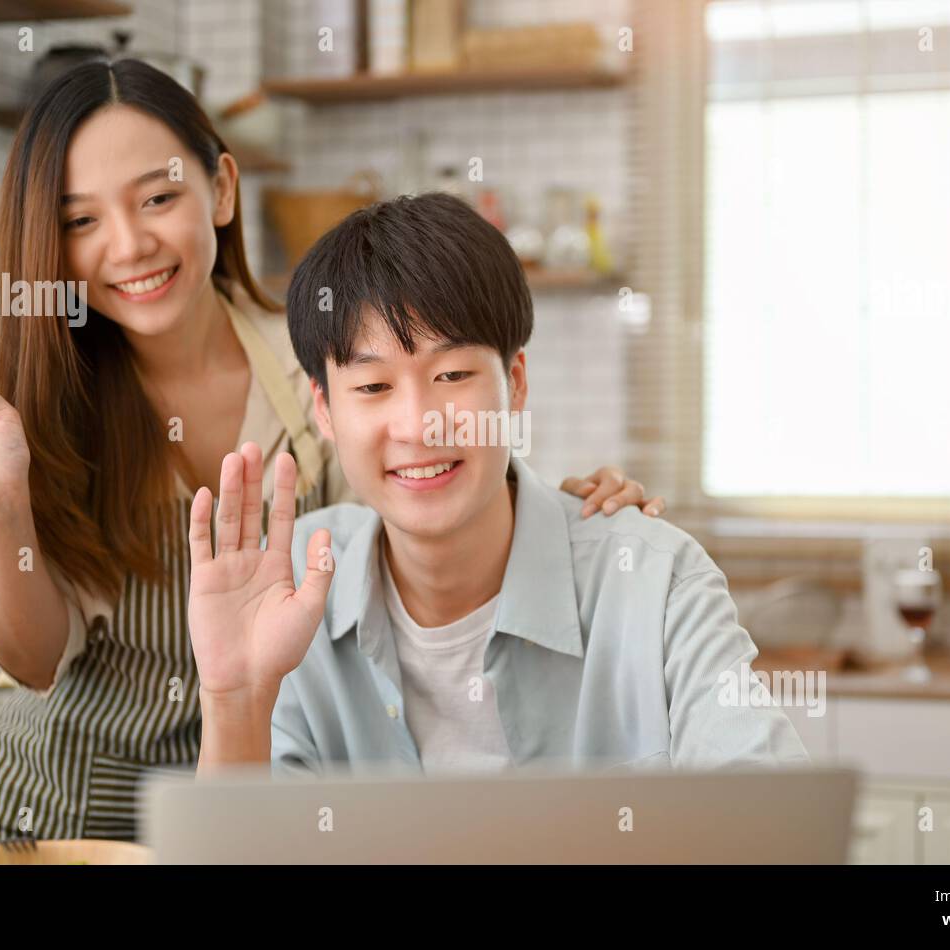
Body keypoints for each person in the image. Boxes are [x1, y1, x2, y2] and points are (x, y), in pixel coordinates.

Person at [0, 62, 662, 850]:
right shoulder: (22, 379)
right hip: (51, 819)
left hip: (257, 799)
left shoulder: (315, 363)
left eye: (158, 198)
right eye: (81, 221)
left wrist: (560, 518)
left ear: (221, 190)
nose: (129, 245)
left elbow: (424, 504)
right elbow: (35, 663)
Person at [187, 192, 810, 775]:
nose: (419, 424)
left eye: (453, 375)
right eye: (373, 386)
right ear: (324, 409)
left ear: (515, 383)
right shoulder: (293, 584)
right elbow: (249, 839)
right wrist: (234, 699)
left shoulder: (652, 580)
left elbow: (770, 816)